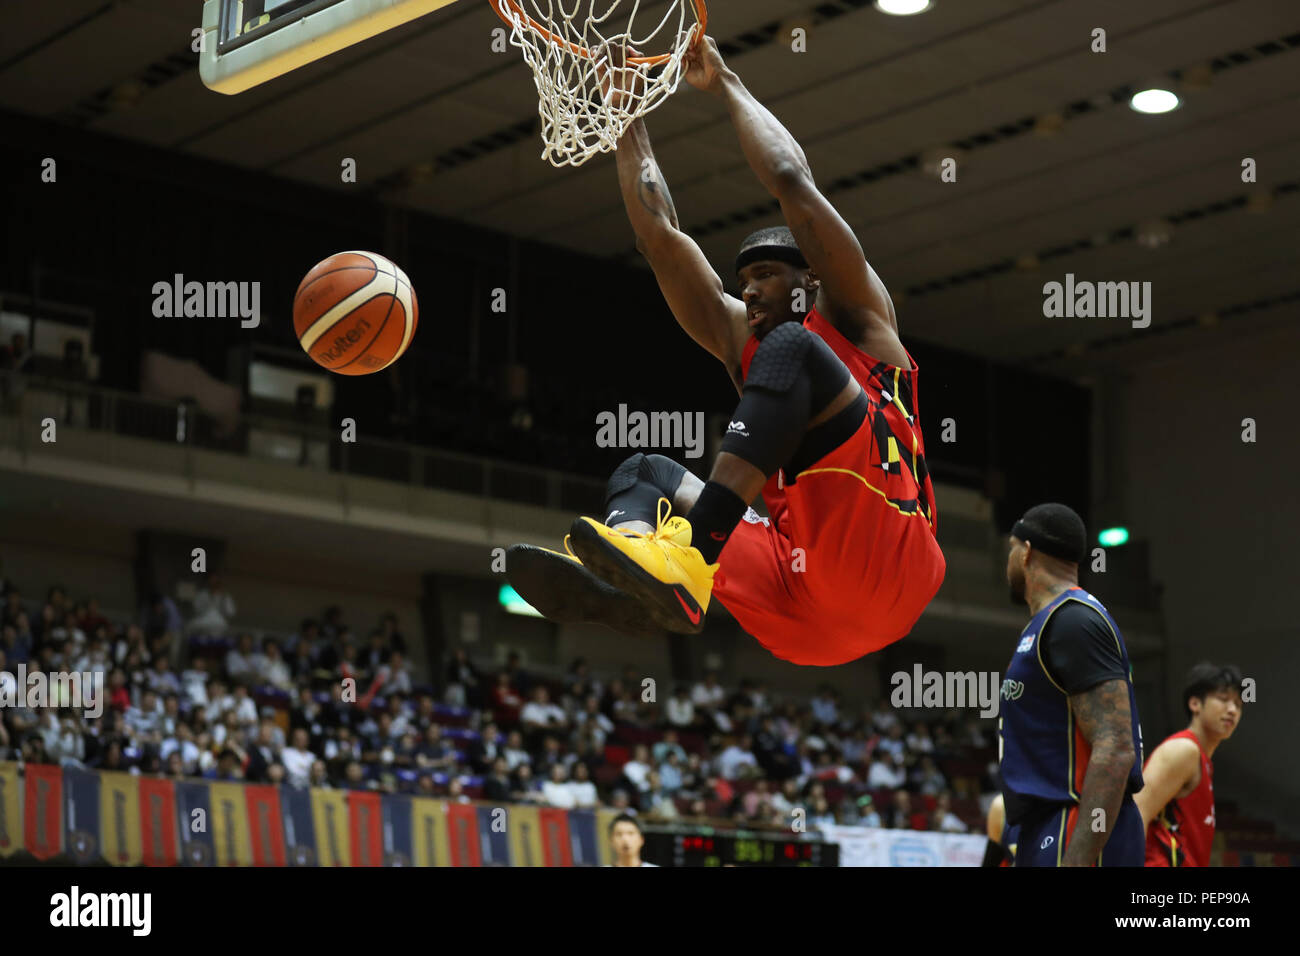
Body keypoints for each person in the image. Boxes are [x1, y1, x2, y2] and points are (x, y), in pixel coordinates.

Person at [506, 36, 944, 667]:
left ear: (812, 278)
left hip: (889, 561)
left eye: (766, 273)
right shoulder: (749, 338)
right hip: (804, 607)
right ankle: (632, 581)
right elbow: (659, 239)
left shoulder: (862, 322)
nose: (750, 289)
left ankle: (691, 555)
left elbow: (793, 181)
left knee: (792, 345)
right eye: (744, 279)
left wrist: (728, 85)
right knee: (642, 474)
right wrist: (626, 118)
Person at [999, 503, 1145, 866]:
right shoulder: (1051, 623)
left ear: (1026, 553)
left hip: (1074, 826)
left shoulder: (1072, 621)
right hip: (1050, 826)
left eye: (1011, 550)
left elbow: (1116, 747)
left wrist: (1078, 858)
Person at [1136, 663, 1242, 867]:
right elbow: (1137, 813)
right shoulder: (1184, 749)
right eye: (1223, 699)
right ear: (1195, 704)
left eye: (1238, 704)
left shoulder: (1203, 761)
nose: (1232, 710)